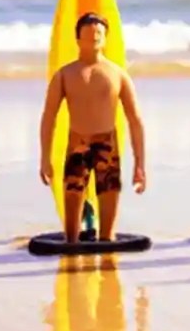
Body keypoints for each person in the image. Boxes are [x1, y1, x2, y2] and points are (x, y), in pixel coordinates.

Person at [40, 12, 147, 243]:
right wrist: (45, 158)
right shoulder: (65, 75)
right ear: (78, 39)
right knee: (71, 234)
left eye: (99, 33)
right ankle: (73, 246)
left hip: (107, 146)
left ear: (106, 38)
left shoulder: (118, 74)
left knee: (107, 234)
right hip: (77, 145)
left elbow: (135, 120)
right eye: (88, 34)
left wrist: (140, 164)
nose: (94, 37)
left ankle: (106, 247)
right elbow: (49, 117)